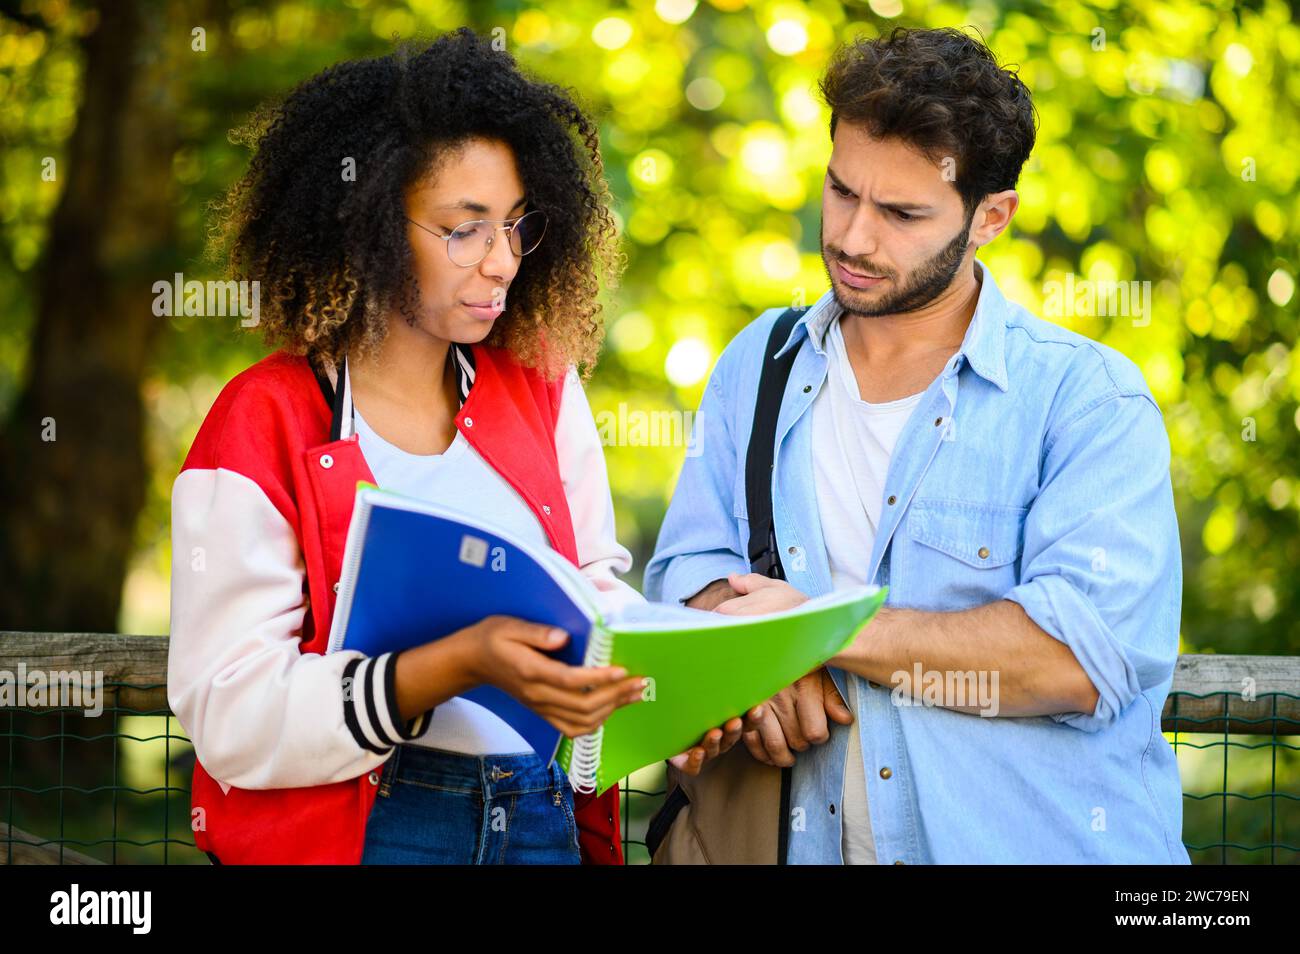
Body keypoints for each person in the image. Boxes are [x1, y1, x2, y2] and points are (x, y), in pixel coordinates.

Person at [646, 26, 1190, 864]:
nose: (855, 239)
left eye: (902, 213)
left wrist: (818, 634)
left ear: (990, 217)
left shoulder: (1087, 401)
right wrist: (757, 658)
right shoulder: (761, 362)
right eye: (840, 192)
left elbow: (1075, 661)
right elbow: (685, 578)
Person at [167, 28, 644, 865]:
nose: (502, 262)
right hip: (378, 828)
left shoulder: (544, 385)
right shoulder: (265, 418)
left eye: (516, 226)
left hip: (541, 819)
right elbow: (226, 710)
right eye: (465, 230)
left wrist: (675, 692)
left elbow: (596, 592)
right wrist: (446, 666)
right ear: (369, 225)